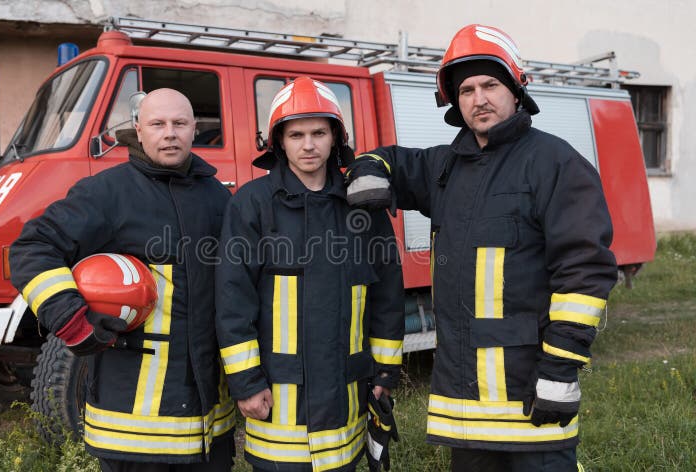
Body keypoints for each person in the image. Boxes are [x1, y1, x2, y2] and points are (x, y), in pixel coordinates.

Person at [344, 24, 617, 472]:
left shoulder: (555, 163)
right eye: (466, 89)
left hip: (532, 397)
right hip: (465, 410)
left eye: (490, 84)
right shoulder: (444, 165)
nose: (478, 98)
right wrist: (369, 168)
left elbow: (585, 271)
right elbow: (391, 160)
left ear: (515, 88)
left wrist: (561, 367)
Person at [9, 89, 235, 471]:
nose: (169, 133)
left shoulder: (216, 196)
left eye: (179, 123)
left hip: (207, 423)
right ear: (138, 130)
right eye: (157, 124)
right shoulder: (106, 192)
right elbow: (31, 247)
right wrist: (70, 320)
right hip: (133, 427)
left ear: (195, 129)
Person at [215, 77, 404, 471]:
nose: (308, 145)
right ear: (278, 141)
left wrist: (386, 372)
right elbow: (233, 300)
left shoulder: (362, 205)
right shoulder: (252, 204)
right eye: (296, 134)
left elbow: (387, 293)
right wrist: (247, 383)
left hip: (346, 399)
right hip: (281, 407)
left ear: (336, 136)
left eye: (319, 132)